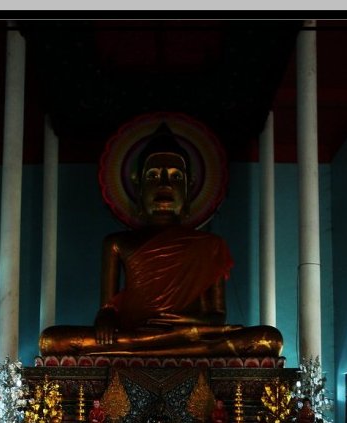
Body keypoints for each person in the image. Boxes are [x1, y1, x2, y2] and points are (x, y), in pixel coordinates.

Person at [39, 124, 283, 359]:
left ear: (188, 190)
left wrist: (186, 325)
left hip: (188, 336)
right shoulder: (117, 243)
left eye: (175, 177)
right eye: (154, 175)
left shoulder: (210, 245)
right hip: (134, 337)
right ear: (139, 189)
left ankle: (159, 350)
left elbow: (217, 316)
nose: (164, 184)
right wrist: (106, 319)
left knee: (269, 339)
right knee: (51, 340)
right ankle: (162, 350)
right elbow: (107, 308)